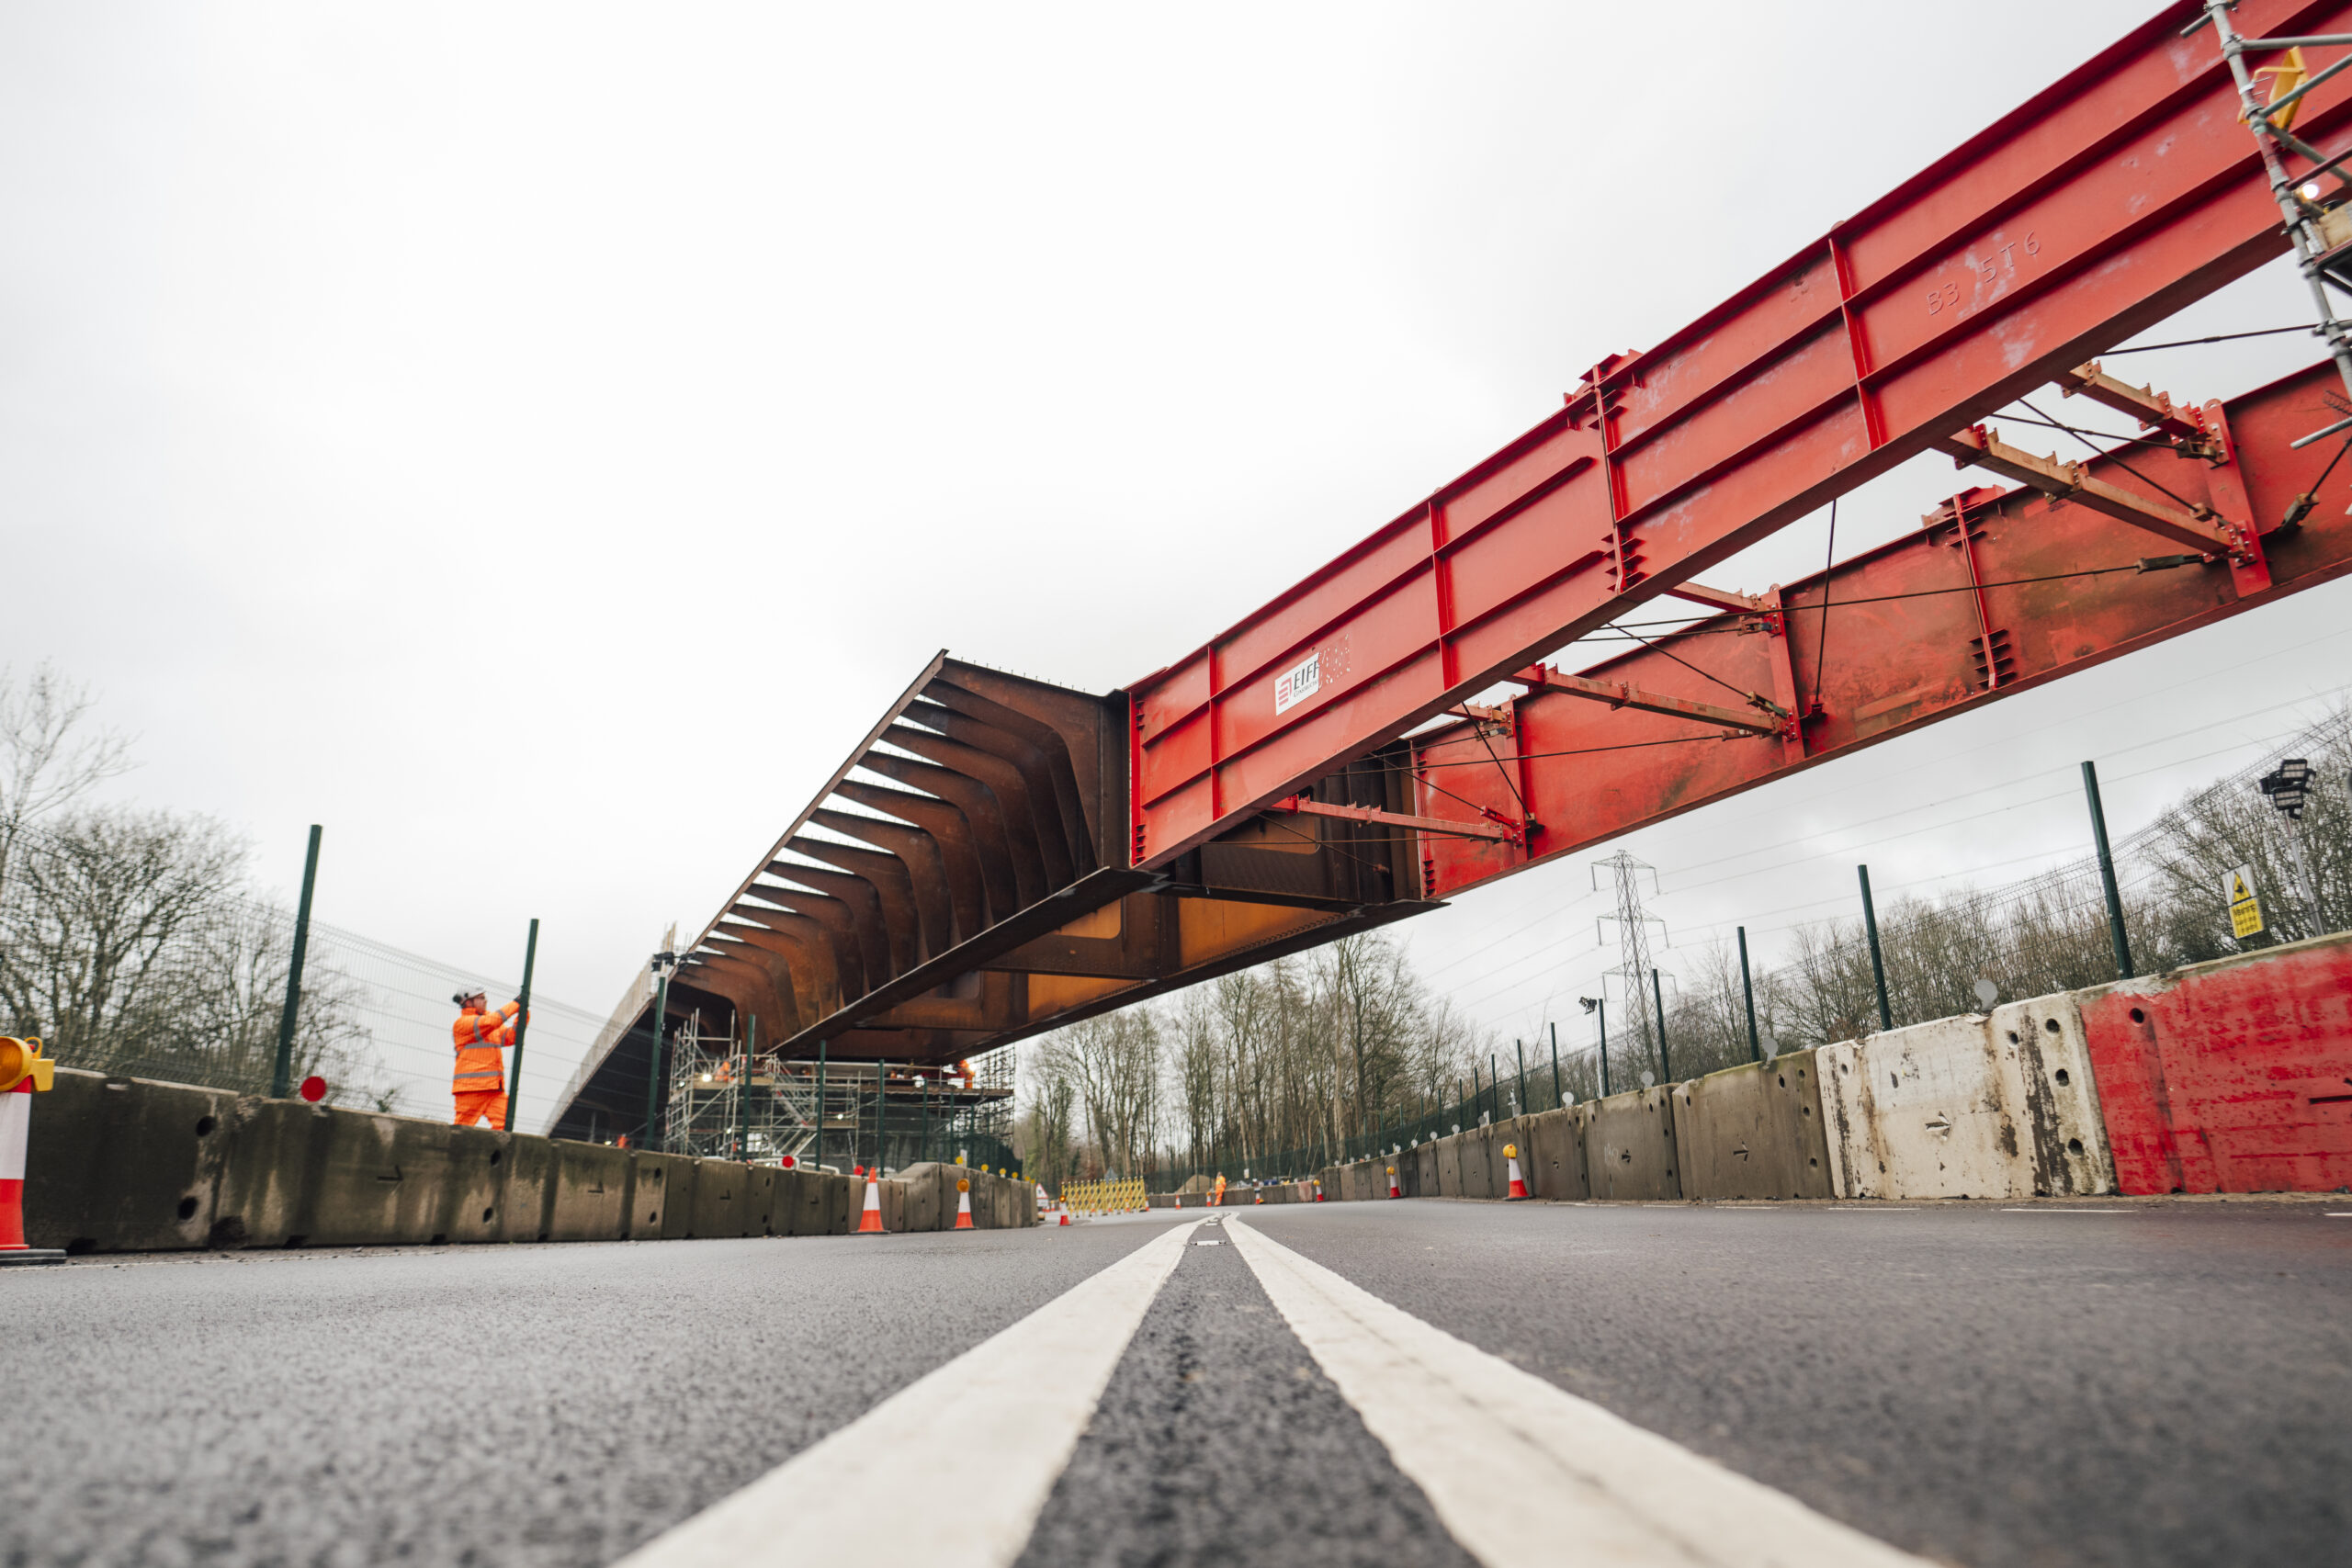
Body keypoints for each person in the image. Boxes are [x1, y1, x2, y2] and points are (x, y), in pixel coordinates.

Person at [450, 987, 522, 1128]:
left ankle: (494, 1151)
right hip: (470, 1089)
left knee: (505, 1127)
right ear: (468, 1002)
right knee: (461, 1131)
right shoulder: (463, 1023)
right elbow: (490, 1022)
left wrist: (523, 1013)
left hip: (494, 1089)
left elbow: (512, 1037)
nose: (485, 1001)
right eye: (481, 998)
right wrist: (516, 1004)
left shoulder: (488, 1023)